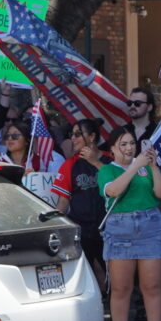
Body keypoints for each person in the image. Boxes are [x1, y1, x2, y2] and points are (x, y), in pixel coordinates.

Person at [99, 127, 161, 321]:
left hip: (150, 225)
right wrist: (135, 166)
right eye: (123, 144)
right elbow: (113, 190)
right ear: (111, 149)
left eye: (132, 143)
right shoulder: (107, 170)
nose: (129, 148)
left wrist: (153, 166)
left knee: (151, 287)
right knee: (120, 289)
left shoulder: (146, 167)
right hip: (119, 230)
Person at [52, 117, 107, 292]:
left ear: (91, 137)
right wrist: (54, 226)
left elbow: (119, 181)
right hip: (82, 230)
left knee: (115, 276)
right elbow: (63, 201)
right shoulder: (70, 165)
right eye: (71, 134)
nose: (73, 138)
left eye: (78, 134)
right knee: (83, 278)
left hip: (110, 229)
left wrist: (95, 162)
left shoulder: (109, 160)